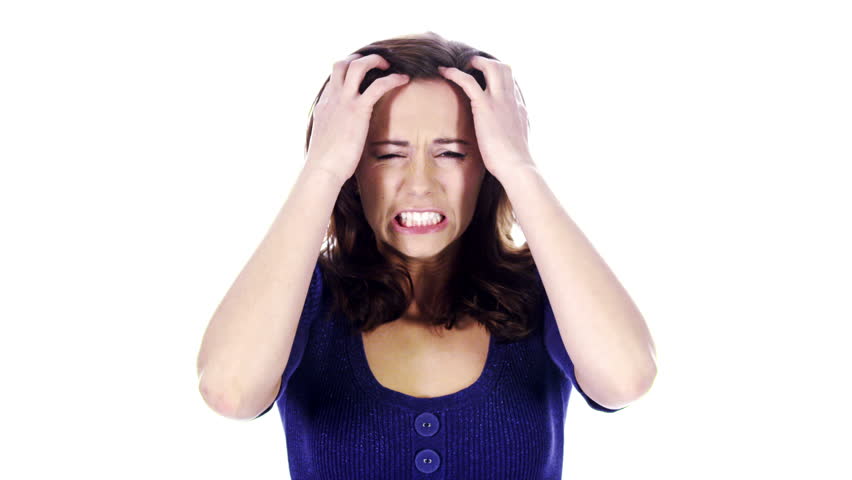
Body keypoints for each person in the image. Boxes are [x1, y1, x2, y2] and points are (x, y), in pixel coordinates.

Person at [197, 31, 656, 479]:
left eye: (453, 153)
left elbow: (626, 378)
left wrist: (520, 166)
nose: (420, 185)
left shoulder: (546, 292)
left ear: (486, 165)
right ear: (353, 167)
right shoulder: (304, 300)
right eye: (387, 155)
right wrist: (322, 167)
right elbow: (230, 392)